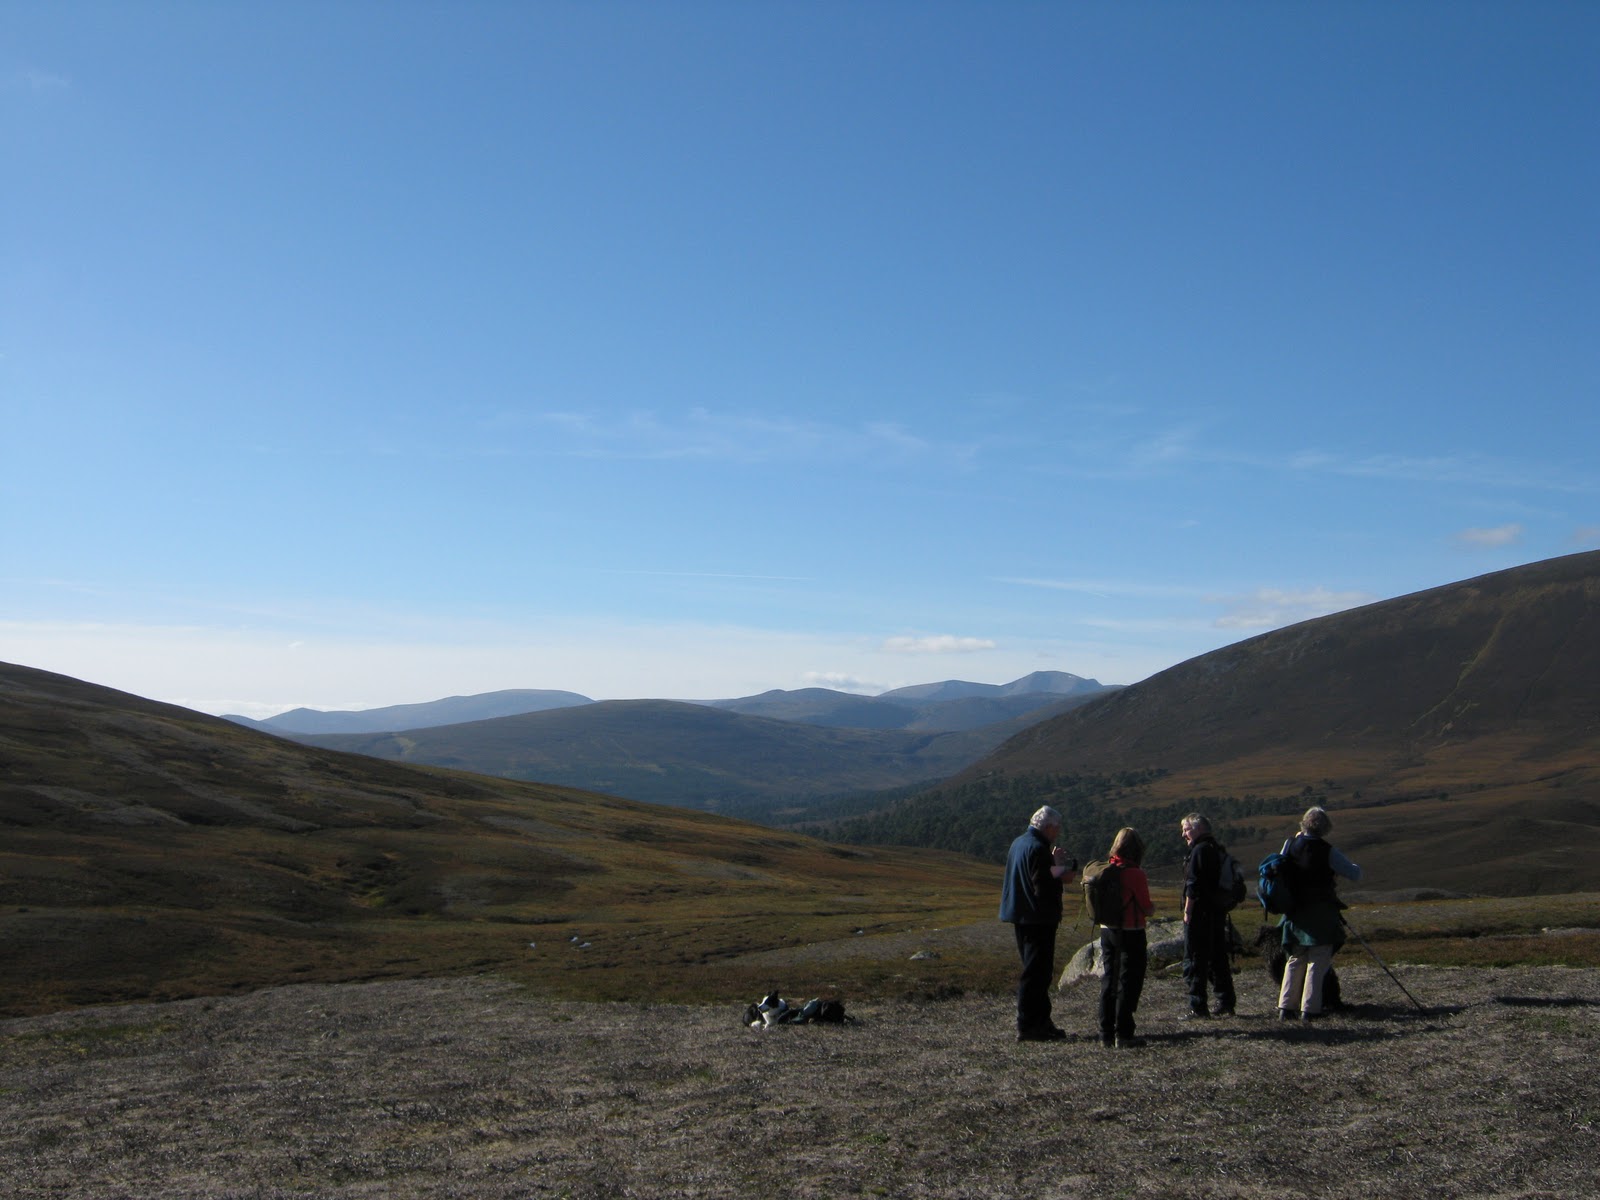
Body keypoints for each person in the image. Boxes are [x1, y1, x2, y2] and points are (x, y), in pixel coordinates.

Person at [998, 805, 1080, 1041]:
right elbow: (1043, 885)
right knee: (1036, 974)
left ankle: (1042, 1022)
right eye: (1057, 828)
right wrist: (1060, 867)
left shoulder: (1019, 842)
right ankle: (1029, 1025)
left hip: (1021, 915)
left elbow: (1038, 874)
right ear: (1049, 827)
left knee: (1036, 971)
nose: (1058, 833)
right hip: (1038, 919)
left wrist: (1056, 866)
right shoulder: (1038, 848)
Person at [1277, 806, 1363, 1021]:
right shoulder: (1327, 850)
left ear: (1303, 824)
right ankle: (1310, 1009)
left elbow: (1279, 868)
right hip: (1321, 911)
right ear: (1325, 828)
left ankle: (1286, 1007)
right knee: (1318, 958)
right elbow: (1355, 874)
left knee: (1296, 957)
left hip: (1295, 911)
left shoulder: (1290, 845)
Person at [1097, 827, 1155, 1049]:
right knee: (1128, 983)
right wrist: (1153, 908)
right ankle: (1124, 1033)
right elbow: (1146, 907)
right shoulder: (1135, 874)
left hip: (1107, 930)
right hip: (1131, 932)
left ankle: (1105, 1032)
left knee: (1109, 979)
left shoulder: (1107, 870)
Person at [1180, 813, 1237, 1019]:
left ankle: (1198, 1006)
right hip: (1216, 912)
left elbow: (1193, 885)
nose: (1183, 834)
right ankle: (1226, 1001)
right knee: (1217, 957)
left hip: (1200, 914)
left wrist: (1188, 911)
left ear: (1199, 828)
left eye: (1186, 829)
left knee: (1195, 960)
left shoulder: (1199, 851)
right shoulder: (1216, 849)